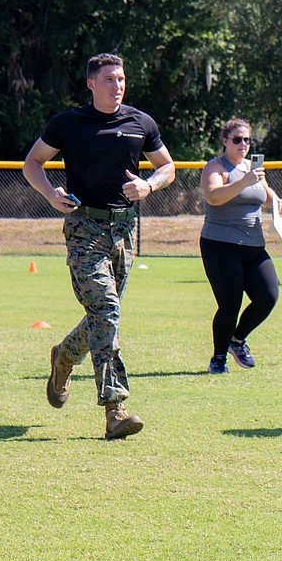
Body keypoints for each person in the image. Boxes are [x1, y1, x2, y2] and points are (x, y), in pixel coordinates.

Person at [23, 53, 175, 440]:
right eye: (109, 79)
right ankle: (115, 408)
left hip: (124, 229)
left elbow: (167, 167)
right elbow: (33, 163)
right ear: (91, 83)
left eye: (121, 79)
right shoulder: (68, 123)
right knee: (107, 311)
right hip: (83, 227)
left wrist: (148, 185)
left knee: (104, 315)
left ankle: (64, 356)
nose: (117, 85)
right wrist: (50, 193)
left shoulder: (141, 123)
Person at [200, 118, 282, 374]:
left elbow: (265, 191)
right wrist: (243, 182)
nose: (243, 144)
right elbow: (213, 196)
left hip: (253, 246)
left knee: (268, 296)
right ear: (225, 141)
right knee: (230, 304)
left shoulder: (253, 168)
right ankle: (218, 358)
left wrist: (277, 201)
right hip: (221, 244)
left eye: (247, 140)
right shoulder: (216, 167)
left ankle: (236, 340)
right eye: (237, 139)